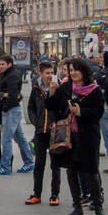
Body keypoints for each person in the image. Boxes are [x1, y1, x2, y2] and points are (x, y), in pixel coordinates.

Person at [46, 57, 105, 215]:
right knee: (72, 171)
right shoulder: (65, 87)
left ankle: (98, 207)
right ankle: (77, 206)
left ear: (84, 71)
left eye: (75, 70)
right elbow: (52, 106)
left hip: (88, 136)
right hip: (70, 136)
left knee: (91, 172)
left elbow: (98, 112)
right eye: (70, 70)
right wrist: (52, 92)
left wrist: (80, 112)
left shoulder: (94, 90)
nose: (73, 73)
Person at [24, 60, 64, 206]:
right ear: (40, 73)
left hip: (55, 131)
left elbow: (63, 108)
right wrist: (35, 121)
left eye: (52, 73)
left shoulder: (59, 88)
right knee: (39, 164)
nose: (50, 76)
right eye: (47, 73)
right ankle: (36, 194)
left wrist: (54, 92)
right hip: (41, 131)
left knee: (55, 164)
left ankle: (54, 195)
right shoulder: (36, 89)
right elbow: (30, 108)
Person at [0, 55, 32, 176]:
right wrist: (3, 95)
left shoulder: (12, 76)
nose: (0, 66)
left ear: (9, 64)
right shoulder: (8, 75)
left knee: (6, 139)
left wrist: (5, 108)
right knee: (20, 139)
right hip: (13, 110)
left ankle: (5, 166)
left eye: (2, 64)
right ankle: (29, 163)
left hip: (11, 110)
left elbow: (13, 95)